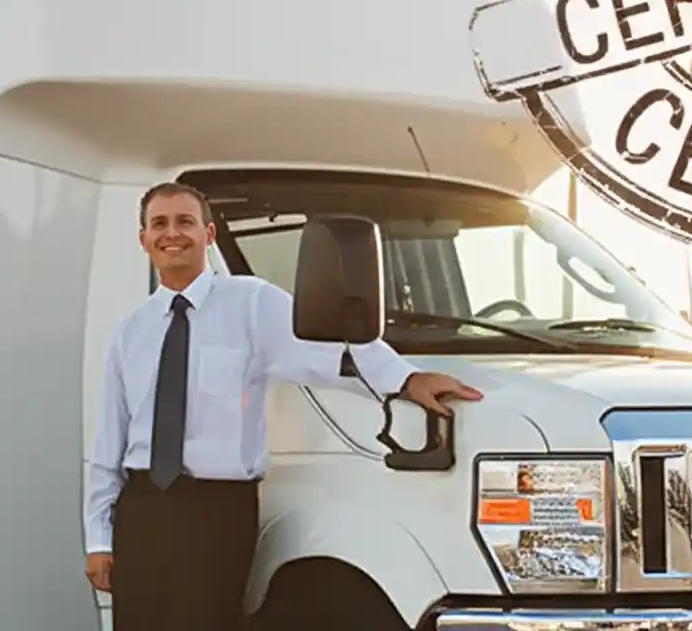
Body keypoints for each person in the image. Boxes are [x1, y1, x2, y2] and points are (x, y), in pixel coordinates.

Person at [82, 181, 483, 630]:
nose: (171, 233)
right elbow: (109, 441)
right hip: (143, 509)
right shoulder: (130, 331)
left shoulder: (252, 302)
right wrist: (99, 537)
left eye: (185, 222)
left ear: (208, 235)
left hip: (216, 511)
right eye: (159, 224)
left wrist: (406, 378)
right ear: (143, 240)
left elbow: (329, 352)